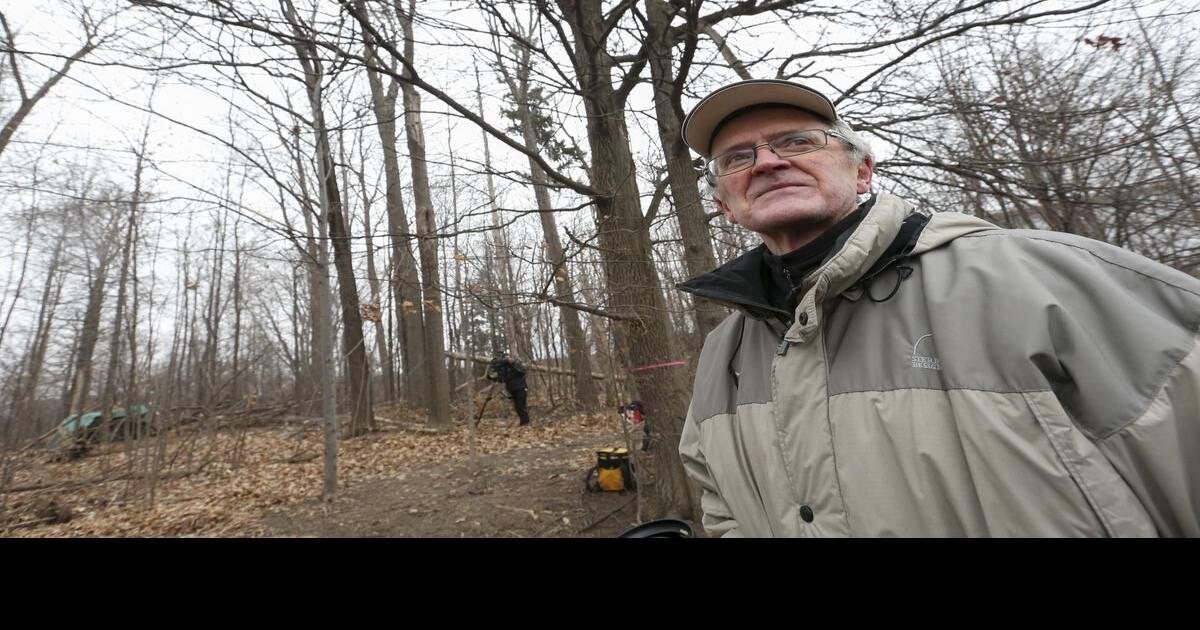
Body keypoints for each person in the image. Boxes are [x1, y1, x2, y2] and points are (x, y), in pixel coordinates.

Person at [675, 78, 1200, 537]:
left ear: (862, 172)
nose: (768, 162)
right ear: (724, 205)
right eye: (737, 158)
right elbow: (721, 505)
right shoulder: (723, 354)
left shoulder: (1039, 275)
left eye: (798, 141)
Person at [487, 351, 531, 426]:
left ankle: (525, 423)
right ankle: (523, 423)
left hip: (521, 387)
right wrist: (492, 373)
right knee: (517, 407)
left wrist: (512, 362)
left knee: (521, 406)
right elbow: (498, 378)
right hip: (511, 389)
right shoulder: (504, 369)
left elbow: (522, 371)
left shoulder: (515, 364)